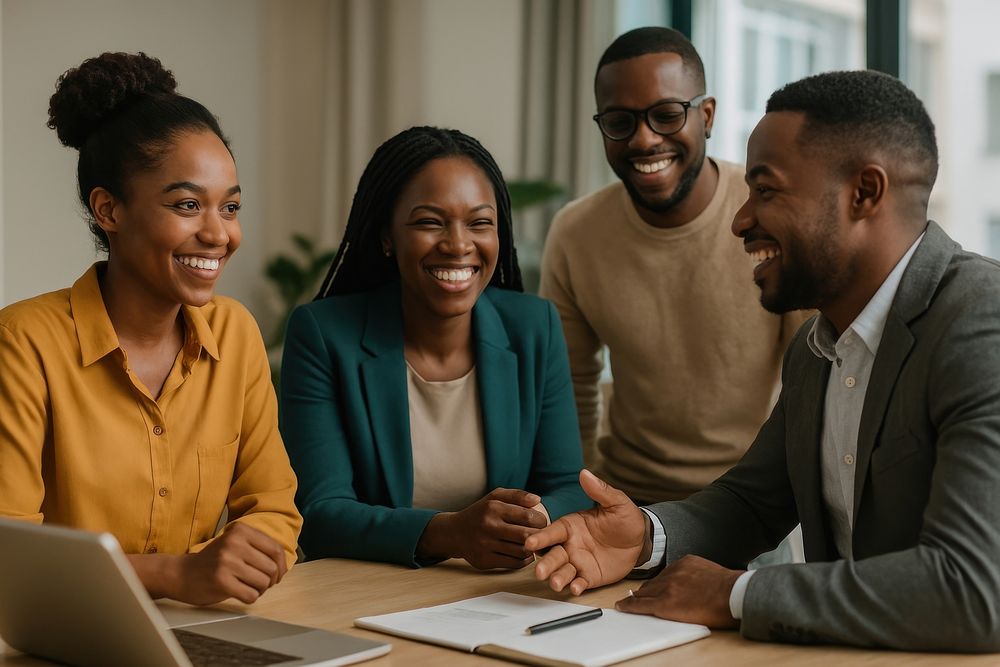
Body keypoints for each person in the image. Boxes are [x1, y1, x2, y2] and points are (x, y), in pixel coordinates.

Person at [526, 69, 1000, 652]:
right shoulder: (817, 349)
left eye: (767, 190)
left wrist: (736, 594)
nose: (740, 219)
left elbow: (975, 592)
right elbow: (751, 504)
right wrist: (644, 537)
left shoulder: (983, 323)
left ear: (864, 193)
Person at [0, 53, 302, 606]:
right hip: (60, 637)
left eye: (230, 207)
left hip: (206, 628)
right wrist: (172, 576)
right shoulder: (23, 342)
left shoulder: (235, 333)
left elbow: (274, 508)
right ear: (109, 210)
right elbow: (8, 553)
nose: (219, 234)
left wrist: (250, 556)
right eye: (188, 205)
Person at [280, 126, 591, 570]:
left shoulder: (533, 326)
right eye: (430, 222)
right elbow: (320, 514)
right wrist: (449, 533)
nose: (459, 245)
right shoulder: (324, 335)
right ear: (387, 236)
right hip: (366, 592)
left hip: (495, 593)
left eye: (479, 223)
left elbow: (568, 484)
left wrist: (531, 521)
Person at [540, 27, 810, 504]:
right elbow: (570, 383)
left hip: (750, 504)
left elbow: (810, 382)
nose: (644, 140)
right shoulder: (575, 232)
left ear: (706, 116)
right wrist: (581, 500)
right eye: (620, 122)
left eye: (666, 116)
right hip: (625, 501)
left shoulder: (768, 218)